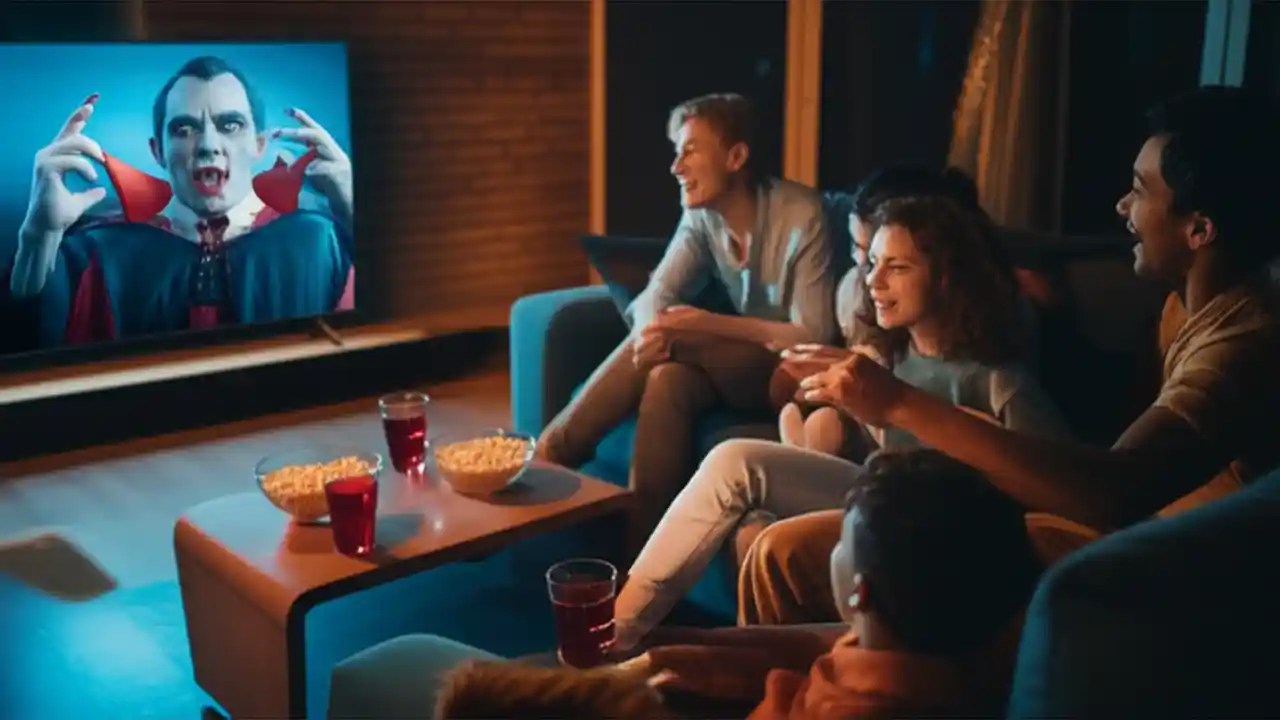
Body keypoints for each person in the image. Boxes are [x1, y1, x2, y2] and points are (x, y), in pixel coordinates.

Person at [743, 85, 1280, 626]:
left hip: (1168, 564)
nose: (1122, 206)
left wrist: (900, 405)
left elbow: (1117, 491)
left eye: (1139, 191)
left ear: (1200, 229)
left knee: (789, 553)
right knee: (782, 548)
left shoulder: (1244, 344)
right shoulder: (1178, 308)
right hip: (1123, 528)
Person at [610, 194, 1069, 649]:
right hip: (875, 499)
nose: (874, 280)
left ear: (945, 277)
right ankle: (619, 631)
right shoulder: (890, 357)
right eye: (873, 263)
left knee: (756, 506)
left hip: (939, 534)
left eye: (898, 267)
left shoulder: (999, 383)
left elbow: (1061, 488)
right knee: (734, 464)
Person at [357, 450, 1037, 720]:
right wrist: (683, 655)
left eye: (841, 542)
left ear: (858, 592)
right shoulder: (951, 661)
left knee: (419, 680)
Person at [537, 93, 838, 553]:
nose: (676, 167)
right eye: (676, 152)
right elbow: (653, 297)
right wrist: (651, 333)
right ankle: (640, 558)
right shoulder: (700, 220)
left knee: (681, 335)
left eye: (691, 150)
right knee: (667, 378)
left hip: (793, 375)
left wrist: (705, 324)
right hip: (730, 367)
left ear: (736, 157)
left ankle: (549, 457)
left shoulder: (802, 216)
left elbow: (813, 333)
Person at [2, 55, 354, 349]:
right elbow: (27, 346)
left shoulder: (319, 240)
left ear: (259, 145)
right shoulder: (96, 250)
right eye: (184, 129)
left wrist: (357, 213)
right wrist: (38, 235)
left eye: (230, 125)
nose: (207, 145)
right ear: (158, 151)